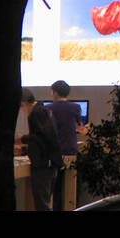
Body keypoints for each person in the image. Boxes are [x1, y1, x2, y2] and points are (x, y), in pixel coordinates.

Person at [19, 89, 63, 211]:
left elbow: (41, 137)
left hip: (43, 165)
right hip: (49, 163)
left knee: (42, 204)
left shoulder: (36, 113)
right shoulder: (43, 110)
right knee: (44, 202)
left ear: (23, 103)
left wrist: (23, 139)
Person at [47, 80, 84, 211]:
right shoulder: (75, 107)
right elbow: (79, 127)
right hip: (71, 150)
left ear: (55, 92)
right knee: (73, 188)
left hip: (55, 152)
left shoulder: (48, 108)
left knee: (55, 188)